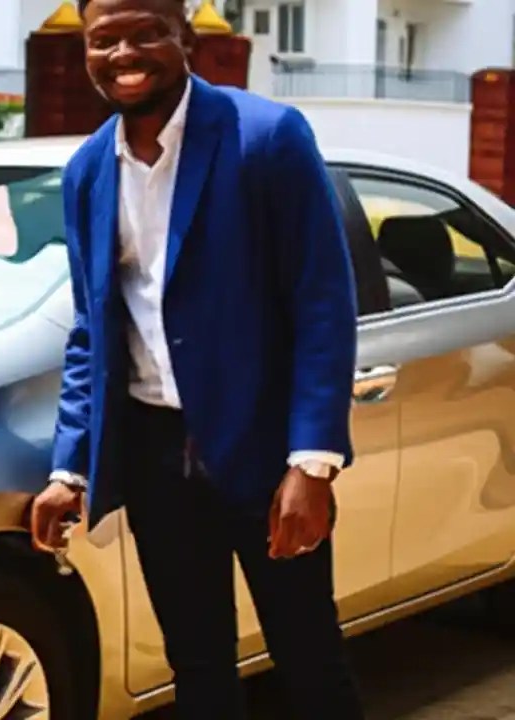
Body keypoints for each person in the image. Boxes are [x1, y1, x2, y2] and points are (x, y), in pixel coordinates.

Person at [28, 0, 365, 718]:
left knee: (308, 656)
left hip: (266, 451)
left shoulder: (266, 137)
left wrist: (311, 462)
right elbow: (94, 329)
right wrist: (69, 466)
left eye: (144, 32)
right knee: (199, 665)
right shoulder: (88, 170)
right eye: (104, 40)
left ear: (183, 36)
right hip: (155, 461)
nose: (124, 54)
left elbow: (321, 305)